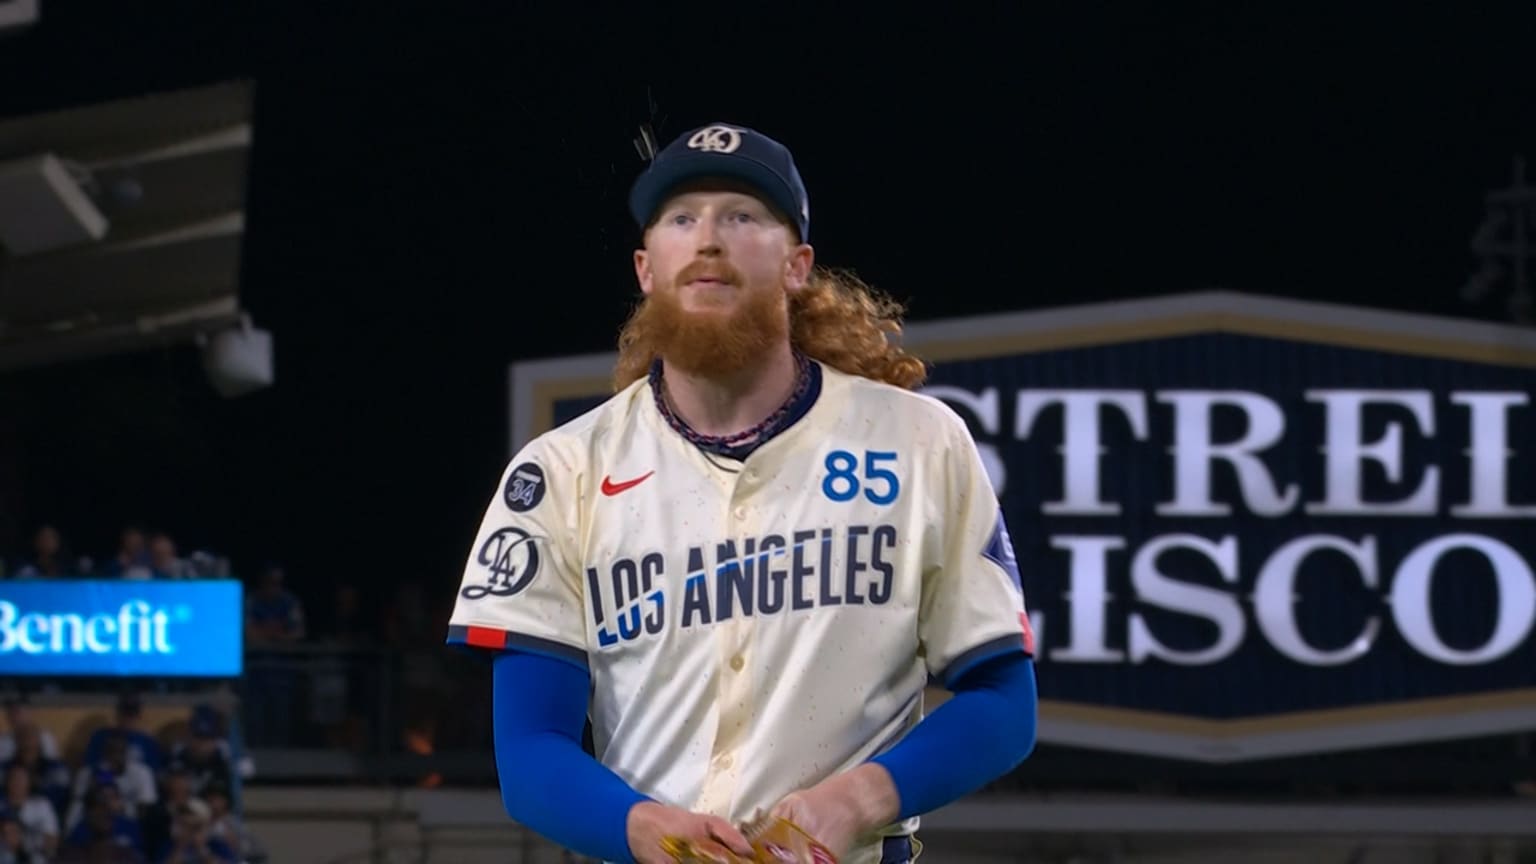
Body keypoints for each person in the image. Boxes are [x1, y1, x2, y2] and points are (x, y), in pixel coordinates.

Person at [445, 122, 1039, 864]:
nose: (709, 238)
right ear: (646, 267)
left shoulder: (918, 440)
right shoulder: (560, 472)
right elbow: (531, 751)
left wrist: (857, 799)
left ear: (797, 265)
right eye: (682, 218)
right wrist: (641, 829)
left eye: (743, 215)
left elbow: (1004, 706)